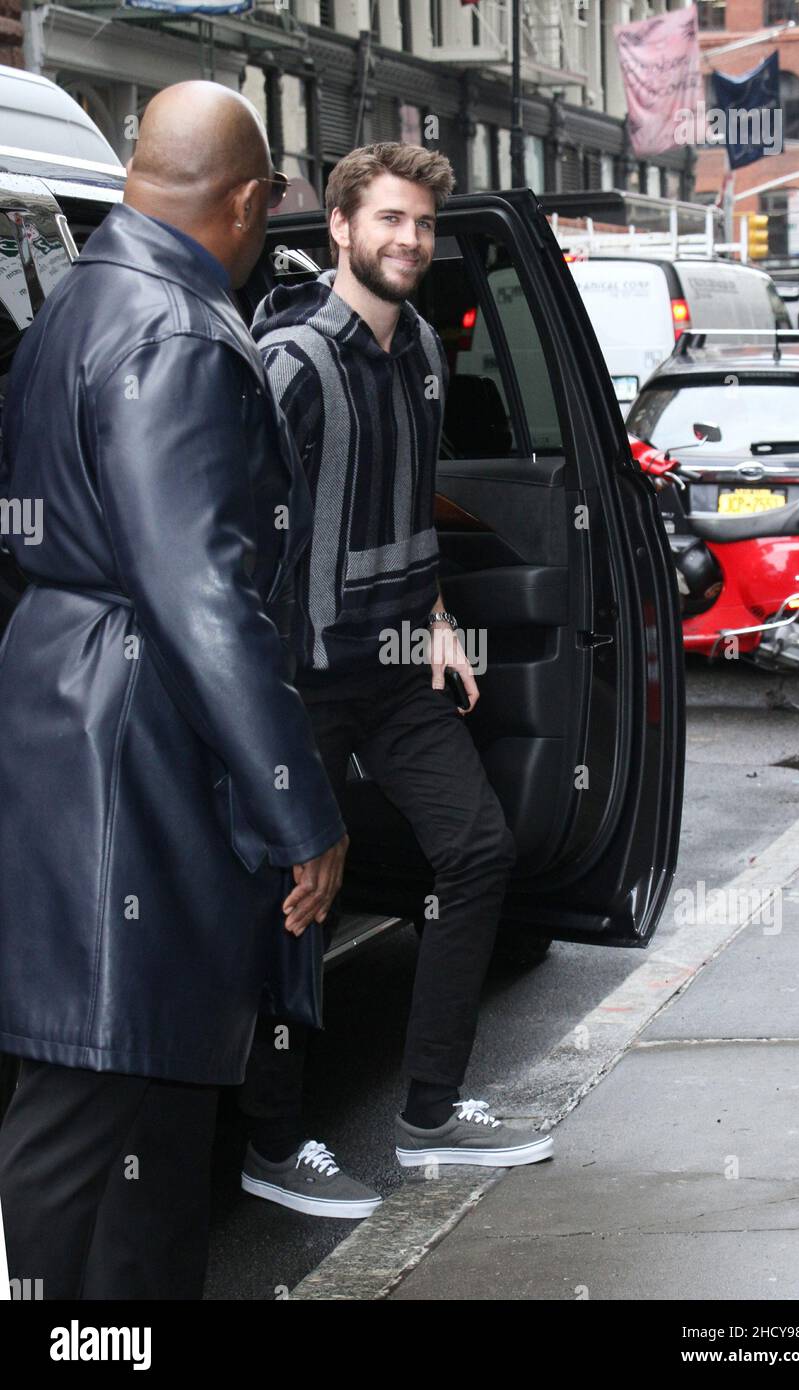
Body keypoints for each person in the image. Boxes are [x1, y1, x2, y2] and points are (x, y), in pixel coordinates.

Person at [0, 80, 347, 1299]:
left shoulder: (75, 304)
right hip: (130, 748)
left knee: (141, 1089)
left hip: (74, 711)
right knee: (95, 1095)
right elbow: (200, 595)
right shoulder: (178, 332)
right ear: (249, 202)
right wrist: (300, 806)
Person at [238, 142, 553, 1220]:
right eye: (387, 220)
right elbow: (232, 536)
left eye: (420, 223)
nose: (408, 240)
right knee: (294, 908)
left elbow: (411, 501)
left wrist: (433, 621)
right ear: (338, 227)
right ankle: (272, 1142)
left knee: (475, 849)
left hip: (397, 662)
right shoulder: (287, 361)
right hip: (298, 680)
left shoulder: (420, 344)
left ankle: (429, 1110)